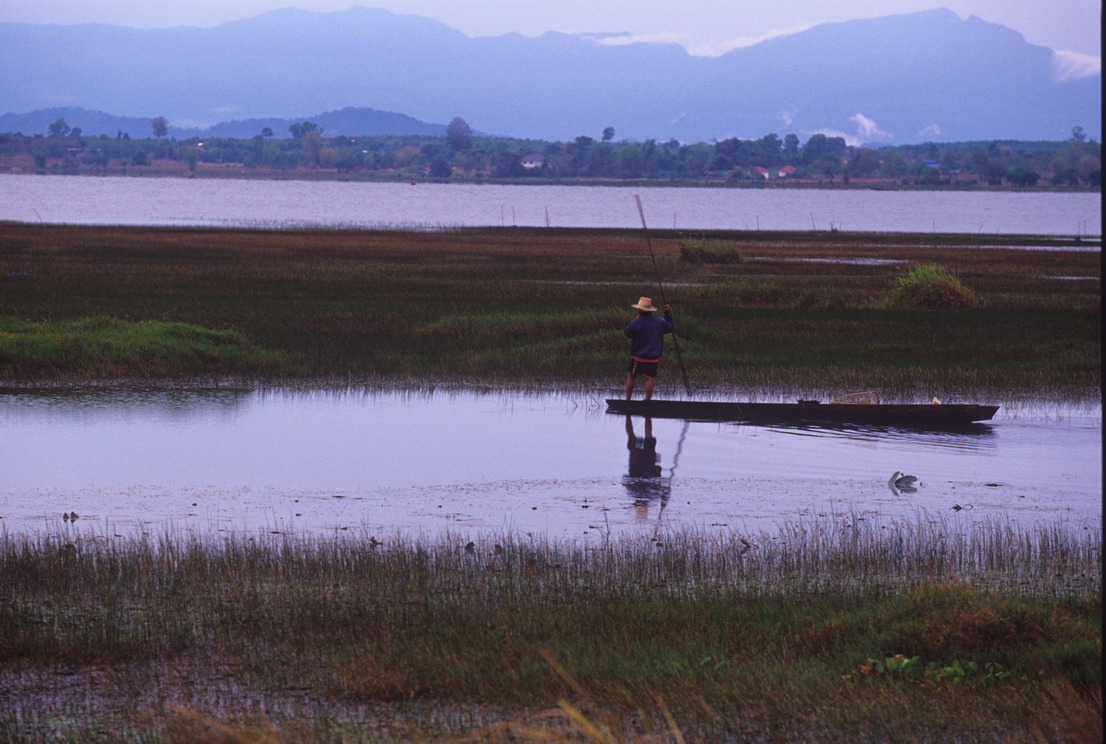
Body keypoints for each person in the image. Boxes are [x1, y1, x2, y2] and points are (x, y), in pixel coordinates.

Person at [623, 296, 673, 400]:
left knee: (631, 376)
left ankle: (627, 401)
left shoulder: (636, 322)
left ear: (639, 310)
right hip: (653, 358)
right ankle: (647, 401)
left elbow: (627, 333)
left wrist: (635, 319)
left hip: (638, 357)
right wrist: (667, 313)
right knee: (649, 378)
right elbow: (670, 327)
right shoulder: (660, 321)